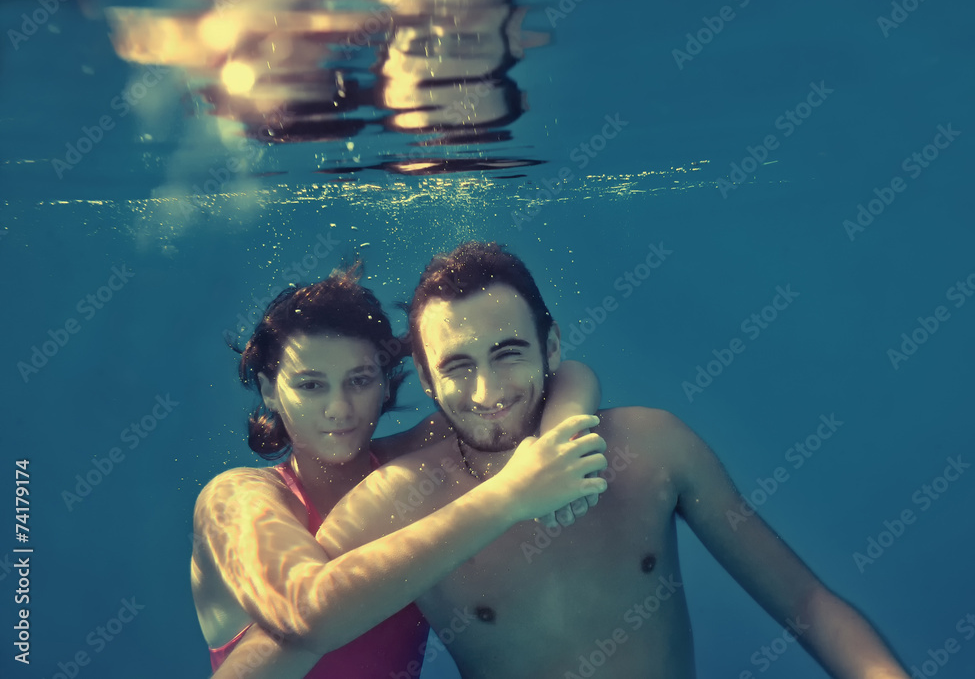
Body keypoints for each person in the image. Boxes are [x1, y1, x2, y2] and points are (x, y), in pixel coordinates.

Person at [220, 242, 912, 678]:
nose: (488, 393)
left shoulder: (651, 450)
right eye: (458, 366)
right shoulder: (395, 497)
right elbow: (278, 647)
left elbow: (808, 603)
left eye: (509, 353)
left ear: (552, 348)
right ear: (428, 384)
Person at [191, 263, 608, 678]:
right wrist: (509, 497)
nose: (338, 409)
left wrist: (558, 443)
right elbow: (308, 614)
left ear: (386, 384)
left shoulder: (407, 467)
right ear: (269, 390)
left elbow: (559, 377)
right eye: (310, 385)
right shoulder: (235, 499)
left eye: (359, 380)